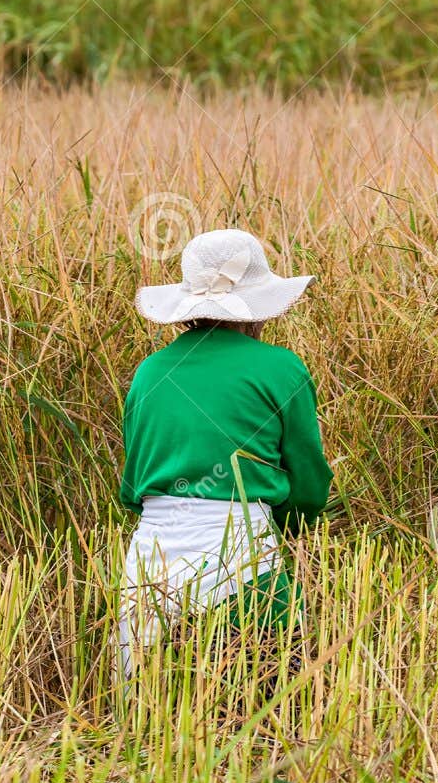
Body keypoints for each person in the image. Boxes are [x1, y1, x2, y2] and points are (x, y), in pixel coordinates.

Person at [118, 229, 332, 677]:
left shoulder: (149, 372)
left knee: (146, 714)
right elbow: (309, 486)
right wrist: (295, 523)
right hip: (244, 560)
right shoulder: (280, 367)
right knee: (271, 708)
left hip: (150, 562)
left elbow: (132, 488)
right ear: (259, 308)